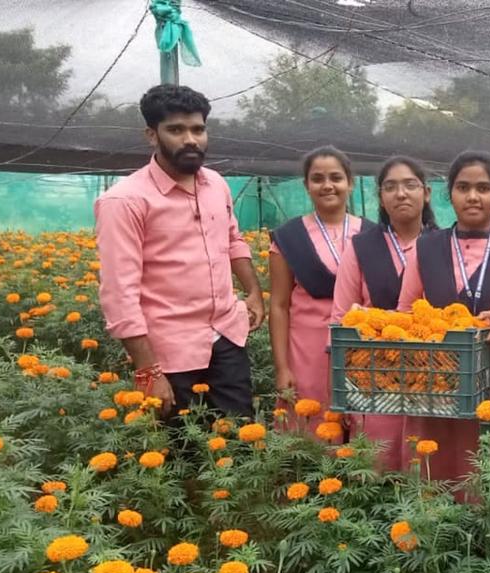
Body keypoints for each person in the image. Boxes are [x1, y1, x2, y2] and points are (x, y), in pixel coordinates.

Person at [95, 84, 263, 418]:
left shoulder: (215, 184)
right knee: (182, 454)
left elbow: (233, 239)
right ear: (151, 135)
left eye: (198, 129)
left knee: (241, 448)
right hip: (169, 352)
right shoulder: (124, 201)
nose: (190, 139)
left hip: (227, 336)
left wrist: (254, 292)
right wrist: (148, 371)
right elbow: (119, 294)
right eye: (176, 130)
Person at [397, 150, 490, 482]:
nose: (473, 196)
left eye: (484, 188)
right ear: (450, 194)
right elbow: (403, 315)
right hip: (434, 389)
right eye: (463, 187)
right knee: (435, 476)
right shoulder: (426, 249)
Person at [330, 155, 438, 469]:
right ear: (380, 196)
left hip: (431, 378)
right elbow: (340, 320)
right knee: (379, 466)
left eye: (409, 185)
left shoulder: (444, 245)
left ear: (426, 193)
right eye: (390, 187)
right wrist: (345, 391)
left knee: (427, 469)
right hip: (374, 383)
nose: (400, 193)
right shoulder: (362, 247)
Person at [268, 146, 362, 432]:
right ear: (306, 185)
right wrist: (283, 368)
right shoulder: (289, 237)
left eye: (336, 177)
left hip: (360, 344)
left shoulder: (371, 234)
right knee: (309, 425)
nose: (328, 185)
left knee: (363, 424)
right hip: (307, 349)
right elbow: (279, 305)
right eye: (318, 178)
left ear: (350, 182)